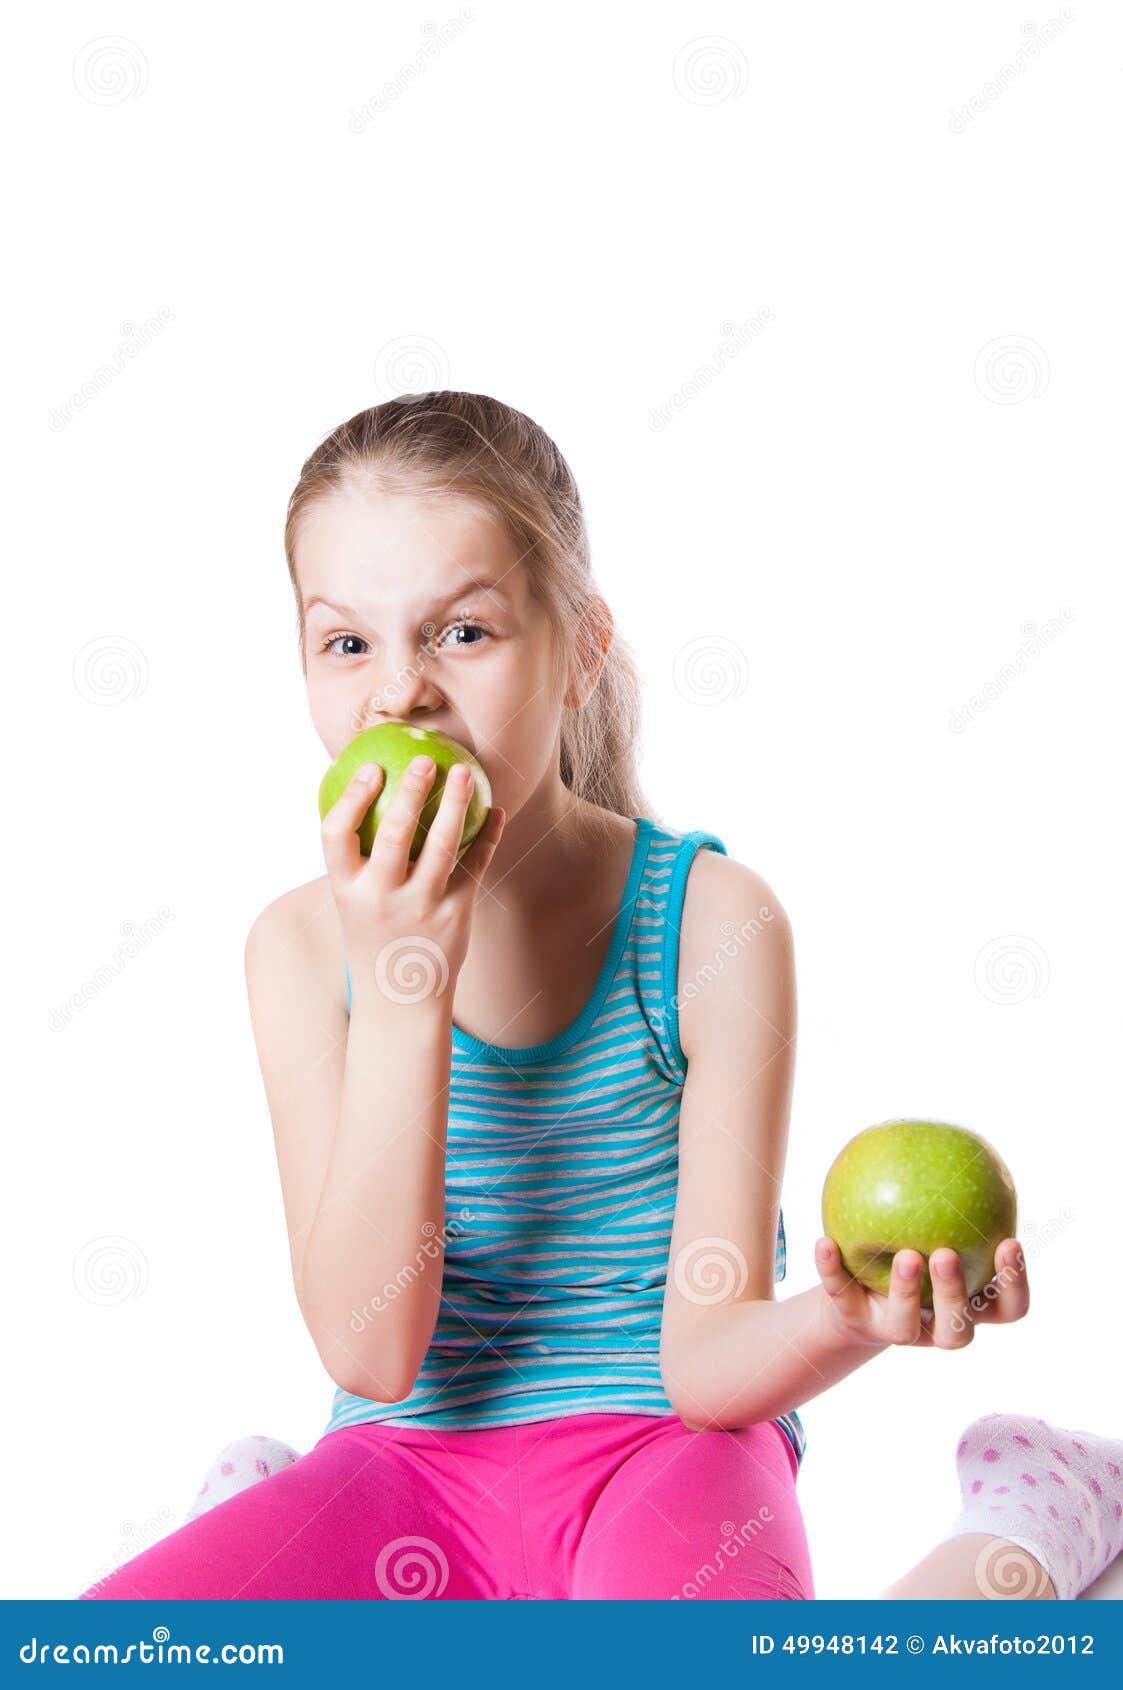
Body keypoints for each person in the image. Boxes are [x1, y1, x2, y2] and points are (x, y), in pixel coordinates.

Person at [79, 394, 1123, 1602]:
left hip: (663, 1453)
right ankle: (271, 1507)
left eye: (461, 633)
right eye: (347, 643)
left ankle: (1027, 1511)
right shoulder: (301, 950)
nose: (399, 697)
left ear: (577, 649)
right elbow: (370, 1350)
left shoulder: (711, 925)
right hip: (401, 1458)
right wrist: (406, 976)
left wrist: (851, 1318)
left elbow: (705, 1370)